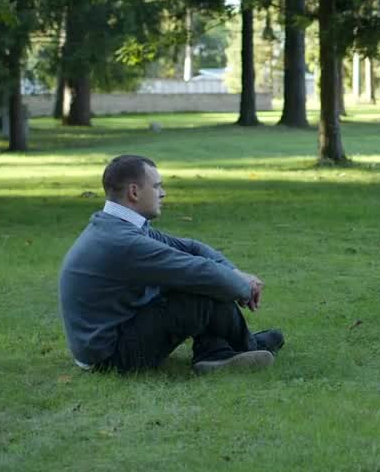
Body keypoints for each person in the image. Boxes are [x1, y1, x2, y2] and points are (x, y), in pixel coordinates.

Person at [59, 154, 284, 374]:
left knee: (206, 281)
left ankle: (218, 353)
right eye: (157, 186)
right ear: (134, 192)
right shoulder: (122, 240)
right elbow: (198, 272)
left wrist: (235, 273)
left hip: (113, 337)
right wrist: (244, 287)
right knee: (200, 287)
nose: (163, 193)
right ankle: (243, 346)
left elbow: (192, 248)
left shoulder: (118, 225)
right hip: (109, 356)